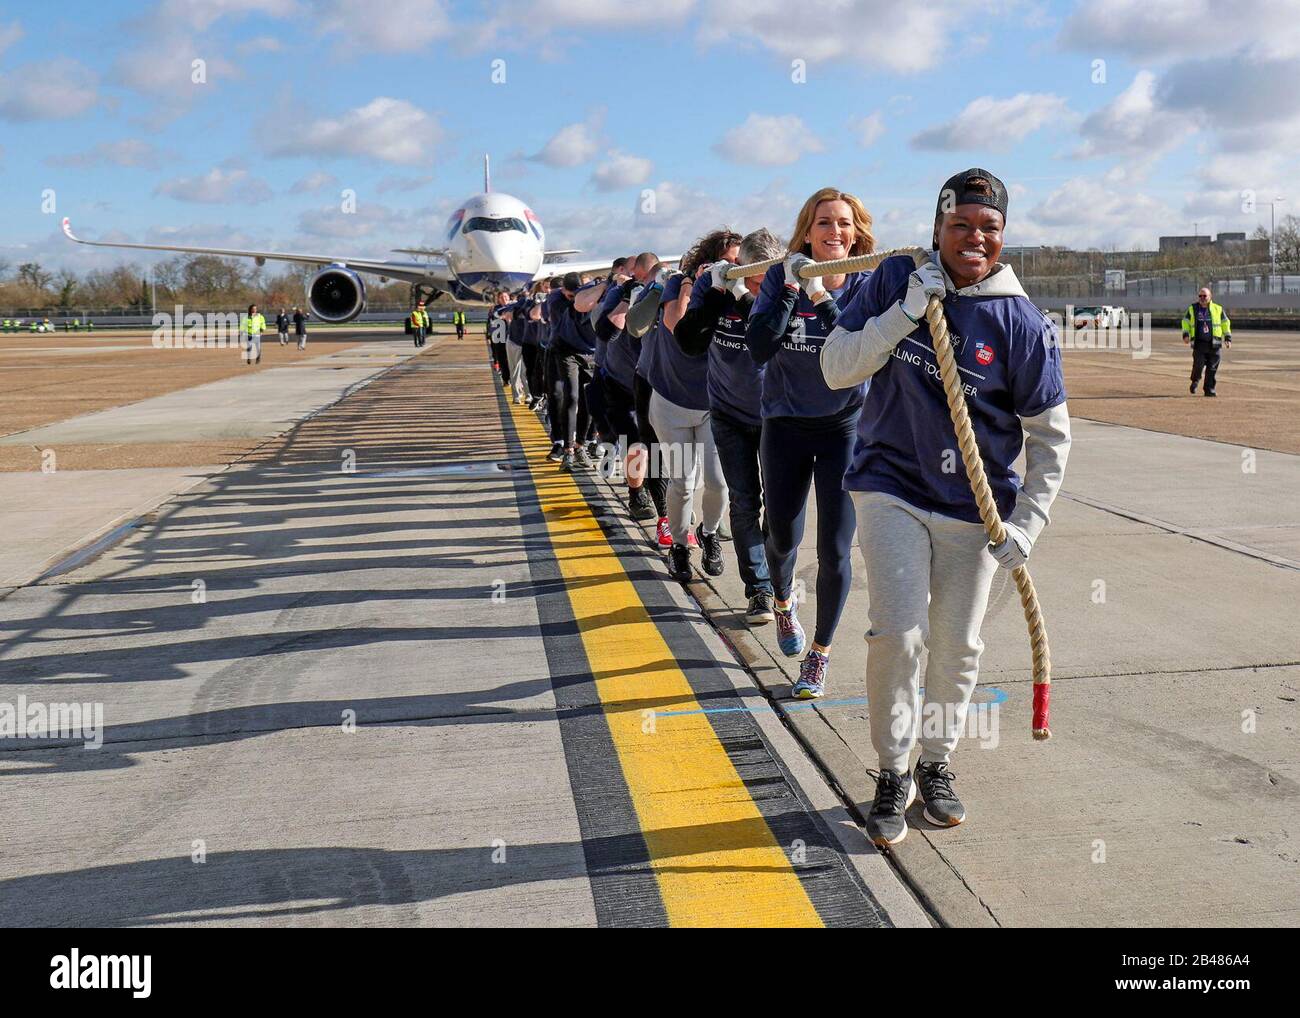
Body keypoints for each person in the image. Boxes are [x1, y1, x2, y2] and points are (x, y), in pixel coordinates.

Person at [821, 168, 1072, 847]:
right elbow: (837, 367)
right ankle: (891, 771)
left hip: (974, 507)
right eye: (960, 225)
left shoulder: (1021, 322)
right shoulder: (891, 279)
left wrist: (1030, 524)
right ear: (938, 226)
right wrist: (902, 311)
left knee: (957, 646)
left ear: (1003, 236)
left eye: (988, 228)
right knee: (899, 637)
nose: (974, 239)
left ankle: (936, 762)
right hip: (890, 486)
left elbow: (1051, 437)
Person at [745, 188, 874, 699]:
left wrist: (819, 294)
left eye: (844, 224)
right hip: (785, 423)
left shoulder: (869, 281)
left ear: (857, 232)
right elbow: (759, 347)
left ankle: (819, 655)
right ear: (808, 231)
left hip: (844, 424)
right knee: (781, 537)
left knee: (835, 548)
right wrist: (789, 288)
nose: (835, 232)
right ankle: (781, 602)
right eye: (824, 223)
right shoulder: (782, 275)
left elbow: (851, 338)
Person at [676, 227, 783, 625]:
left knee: (779, 505)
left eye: (765, 277)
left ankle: (779, 582)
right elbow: (688, 341)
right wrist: (715, 294)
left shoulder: (787, 285)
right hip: (728, 412)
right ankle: (758, 589)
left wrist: (751, 296)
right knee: (743, 501)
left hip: (777, 414)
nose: (758, 285)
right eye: (751, 276)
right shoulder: (716, 285)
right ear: (739, 267)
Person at [641, 232, 740, 584]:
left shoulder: (737, 294)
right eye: (728, 262)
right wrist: (693, 285)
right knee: (682, 482)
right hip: (673, 401)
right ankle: (680, 547)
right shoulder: (676, 284)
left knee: (718, 482)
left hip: (714, 403)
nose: (735, 269)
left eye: (739, 263)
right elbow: (674, 324)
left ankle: (710, 532)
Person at [1182, 286, 1232, 397]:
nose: (1202, 298)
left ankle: (1209, 389)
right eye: (1200, 296)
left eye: (1205, 296)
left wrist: (1228, 338)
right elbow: (1185, 322)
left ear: (1210, 297)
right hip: (1199, 343)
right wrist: (1186, 334)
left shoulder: (1218, 309)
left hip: (1214, 343)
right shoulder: (1193, 308)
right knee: (1198, 365)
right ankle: (1195, 380)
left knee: (1212, 368)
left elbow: (1225, 323)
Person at [506, 289, 533, 405]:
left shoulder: (533, 306)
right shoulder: (513, 307)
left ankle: (528, 394)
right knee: (515, 370)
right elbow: (507, 315)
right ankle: (517, 395)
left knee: (524, 371)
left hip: (526, 341)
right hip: (514, 340)